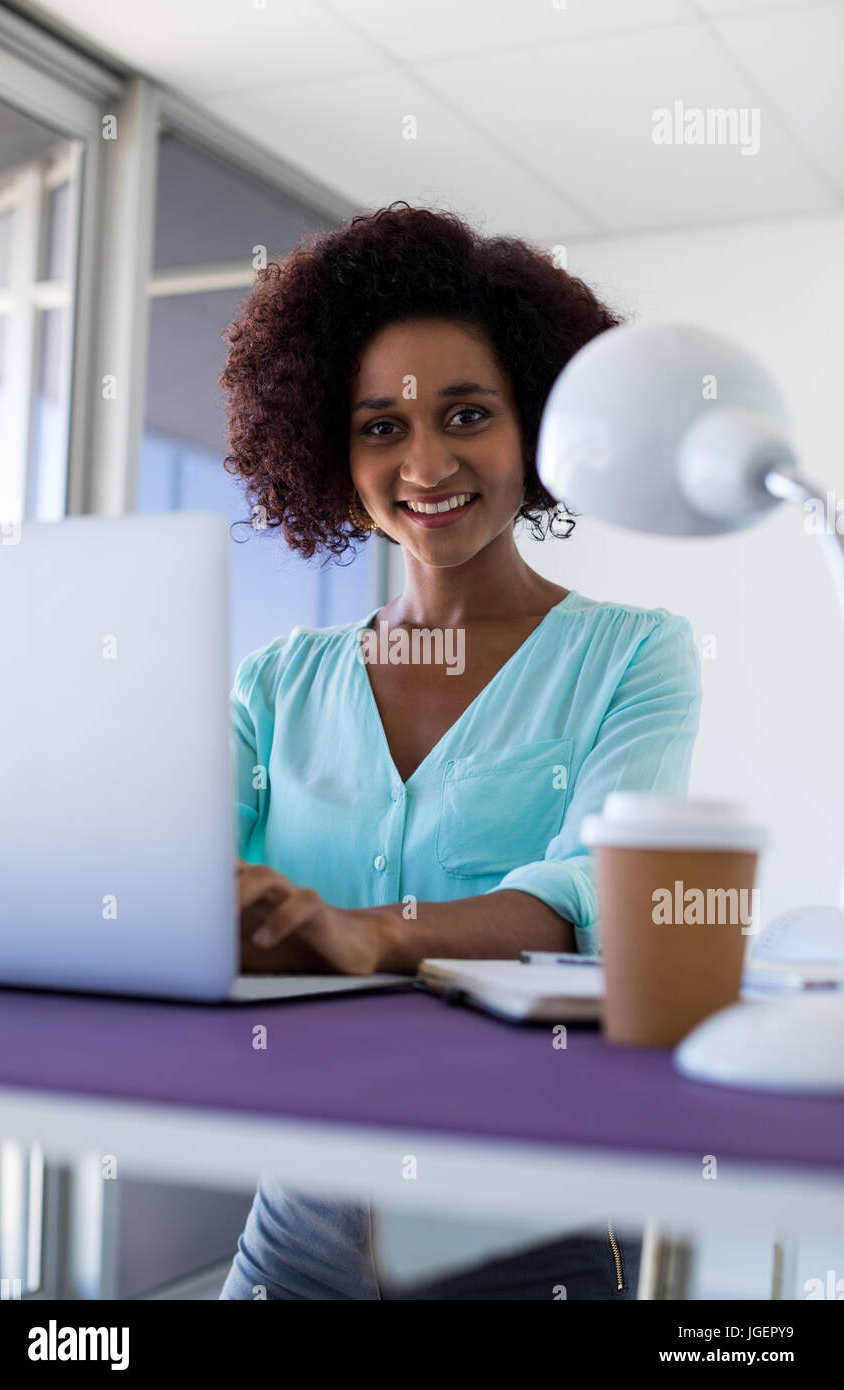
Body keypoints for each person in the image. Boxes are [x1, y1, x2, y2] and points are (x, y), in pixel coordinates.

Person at [217, 203, 702, 1299]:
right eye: (378, 426)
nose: (424, 460)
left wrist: (358, 933)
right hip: (297, 1213)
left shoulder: (633, 656)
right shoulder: (275, 682)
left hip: (523, 1223)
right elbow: (174, 878)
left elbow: (589, 892)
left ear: (534, 428)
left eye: (466, 413)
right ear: (326, 448)